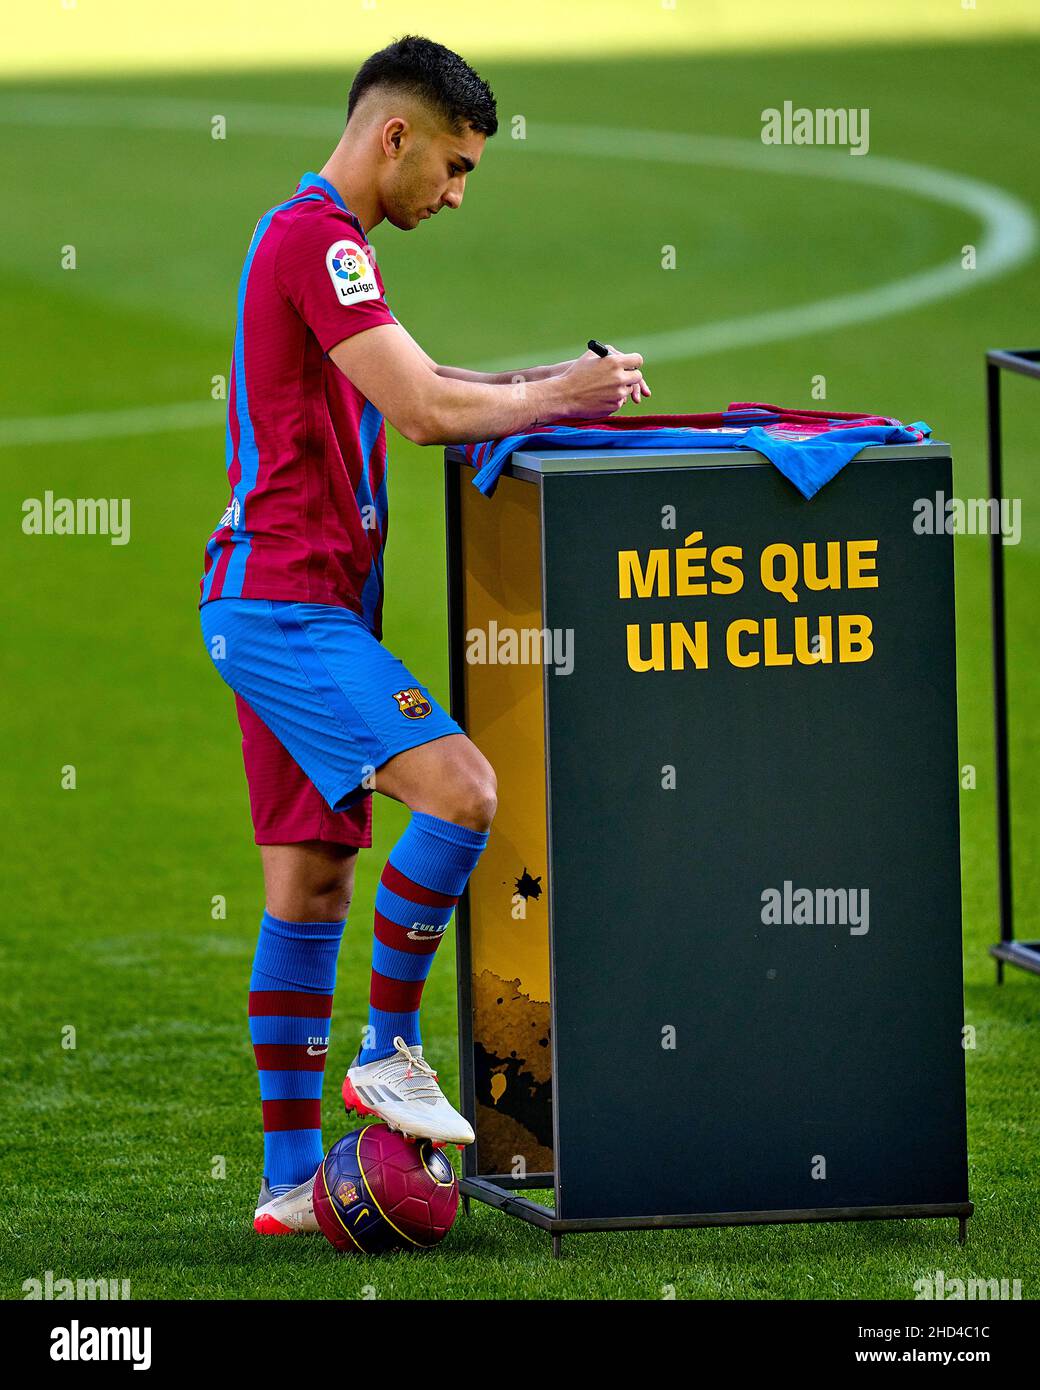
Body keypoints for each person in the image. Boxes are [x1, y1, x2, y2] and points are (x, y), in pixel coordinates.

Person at [198, 33, 649, 1234]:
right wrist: (562, 398)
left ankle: (290, 1184)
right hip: (284, 603)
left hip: (291, 602)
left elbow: (421, 372)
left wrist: (545, 377)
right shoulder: (317, 239)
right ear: (391, 136)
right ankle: (390, 1048)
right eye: (450, 168)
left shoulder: (321, 248)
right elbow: (417, 413)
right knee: (460, 792)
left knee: (310, 883)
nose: (453, 196)